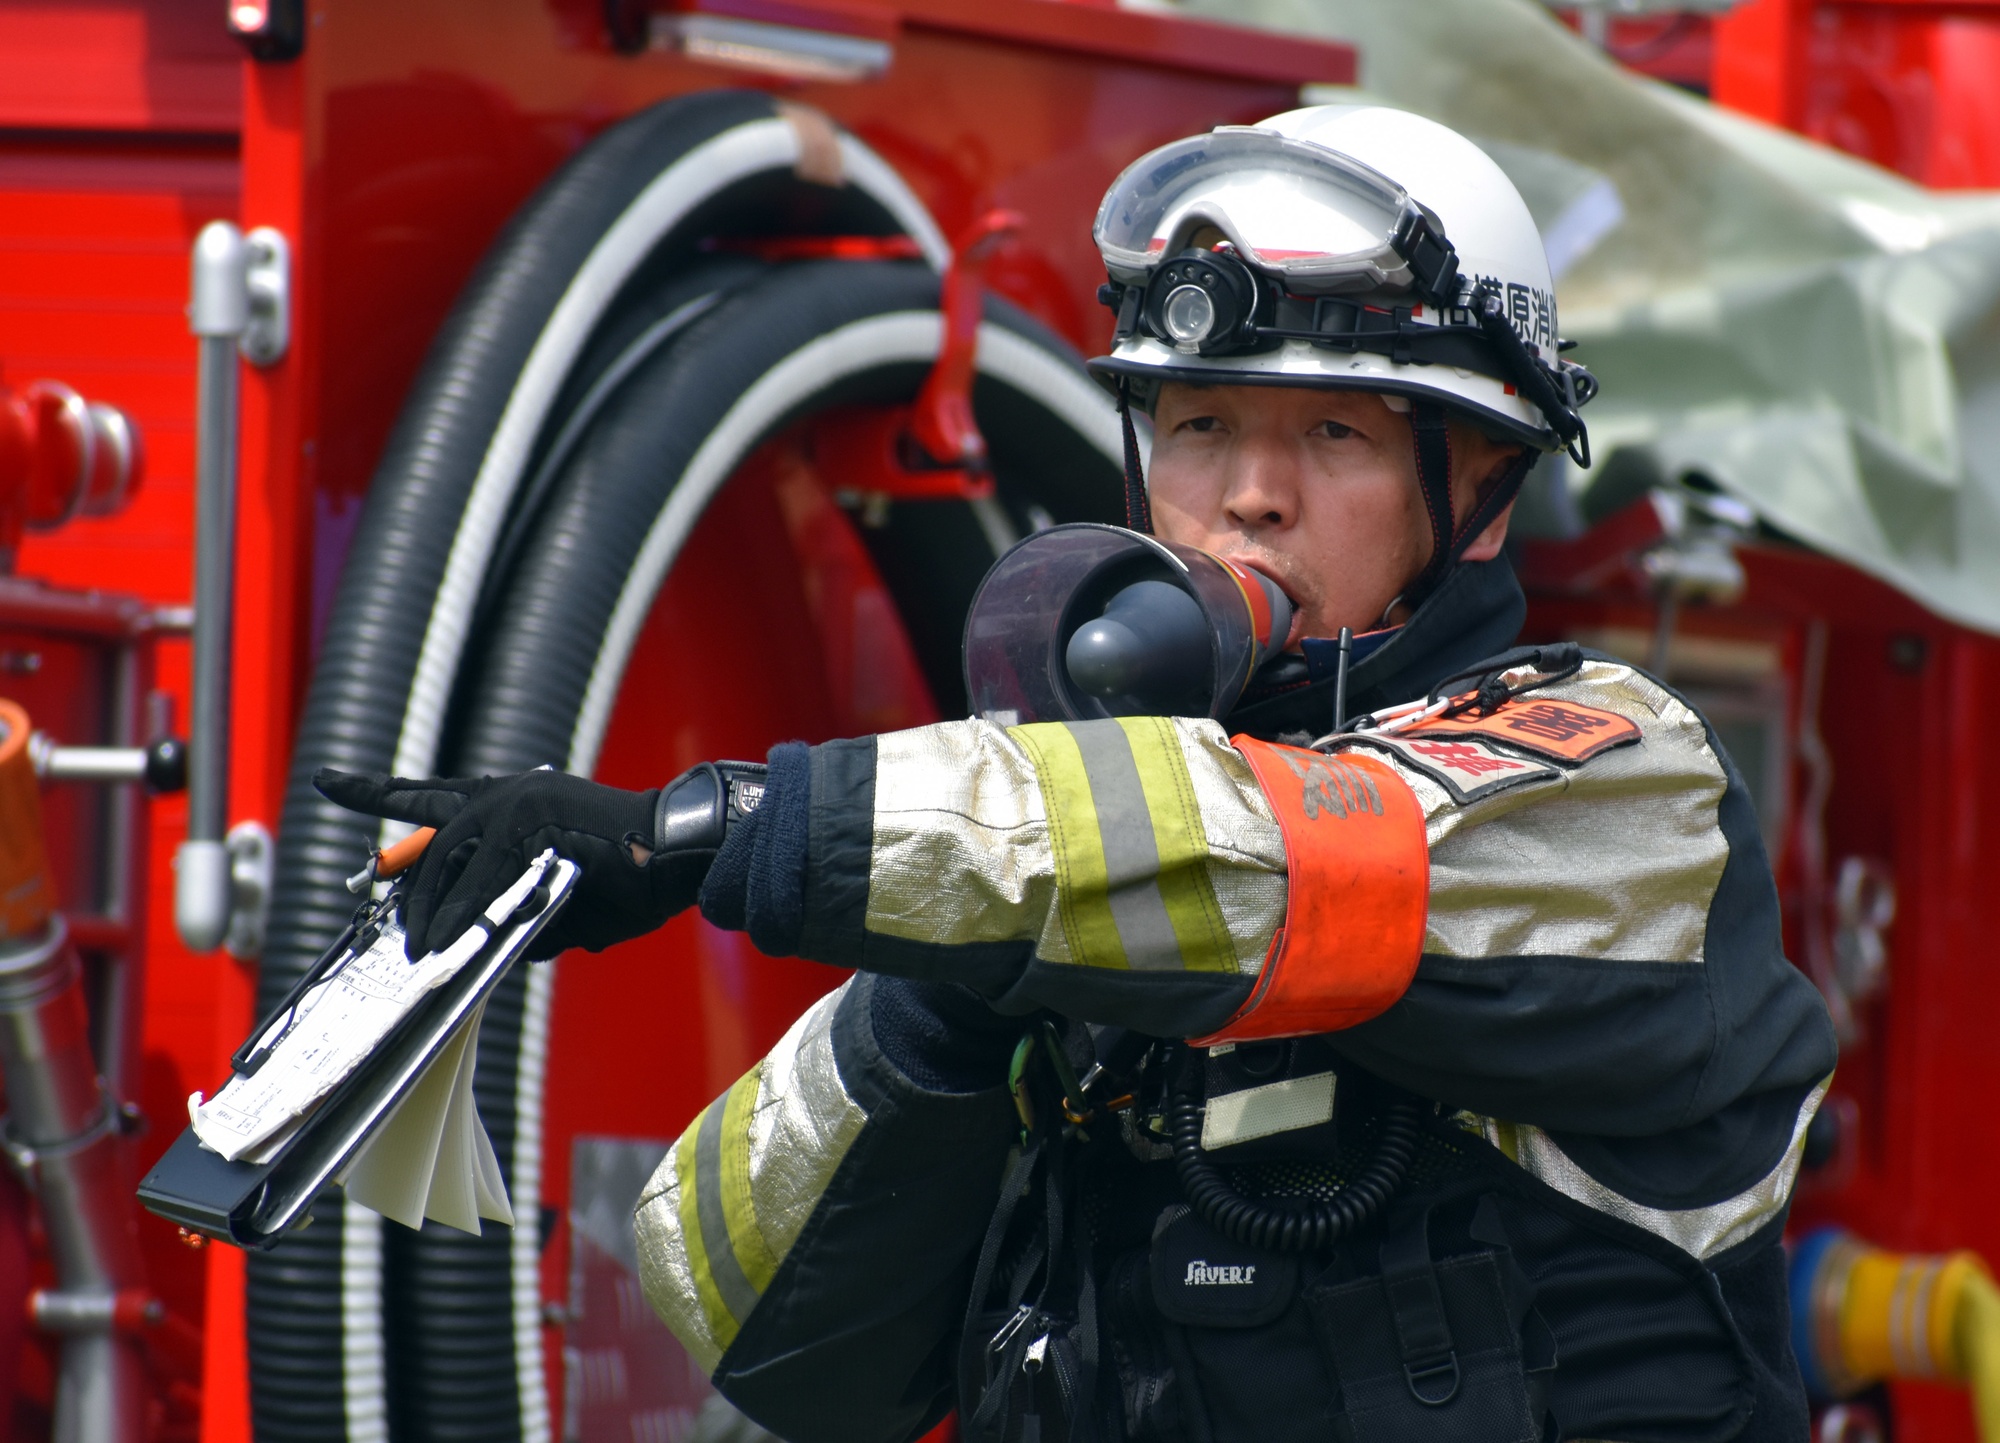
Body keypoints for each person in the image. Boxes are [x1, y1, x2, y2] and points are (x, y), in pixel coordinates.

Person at [319, 105, 1837, 1443]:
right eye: (1198, 426)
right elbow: (755, 1331)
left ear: (1486, 495)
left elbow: (1282, 864)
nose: (1248, 494)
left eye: (1332, 431)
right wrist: (951, 993)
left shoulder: (1616, 783)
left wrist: (720, 828)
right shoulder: (1059, 869)